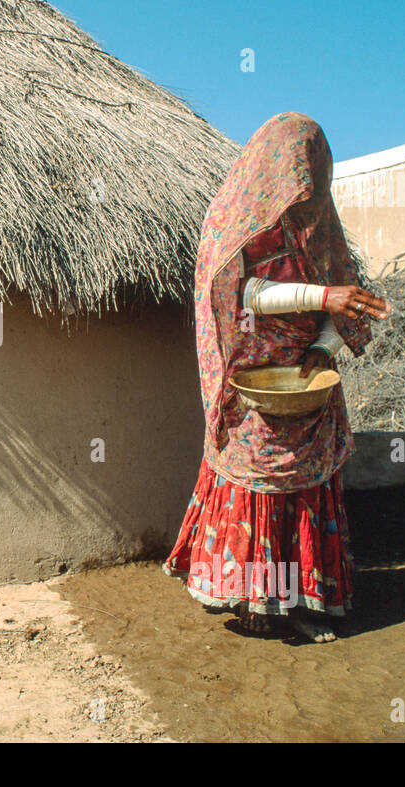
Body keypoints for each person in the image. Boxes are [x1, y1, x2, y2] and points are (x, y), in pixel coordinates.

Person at [164, 112, 390, 642]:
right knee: (260, 486)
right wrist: (321, 296)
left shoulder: (320, 227)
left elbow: (345, 302)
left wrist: (323, 346)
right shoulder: (234, 220)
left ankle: (304, 600)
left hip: (307, 382)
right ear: (272, 166)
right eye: (297, 170)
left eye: (315, 171)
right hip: (252, 383)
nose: (306, 183)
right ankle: (257, 603)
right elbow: (238, 293)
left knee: (308, 489)